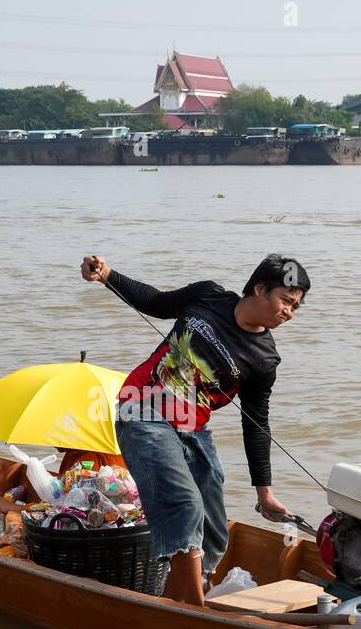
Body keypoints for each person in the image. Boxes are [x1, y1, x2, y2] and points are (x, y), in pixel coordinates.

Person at [81, 253, 309, 607]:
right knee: (184, 505)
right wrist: (108, 275)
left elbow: (256, 424)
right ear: (259, 288)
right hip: (141, 407)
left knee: (214, 523)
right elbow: (155, 302)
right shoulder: (209, 296)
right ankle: (194, 608)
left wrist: (264, 493)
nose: (288, 312)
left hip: (190, 428)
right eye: (285, 300)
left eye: (295, 307)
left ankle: (179, 597)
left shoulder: (264, 360)